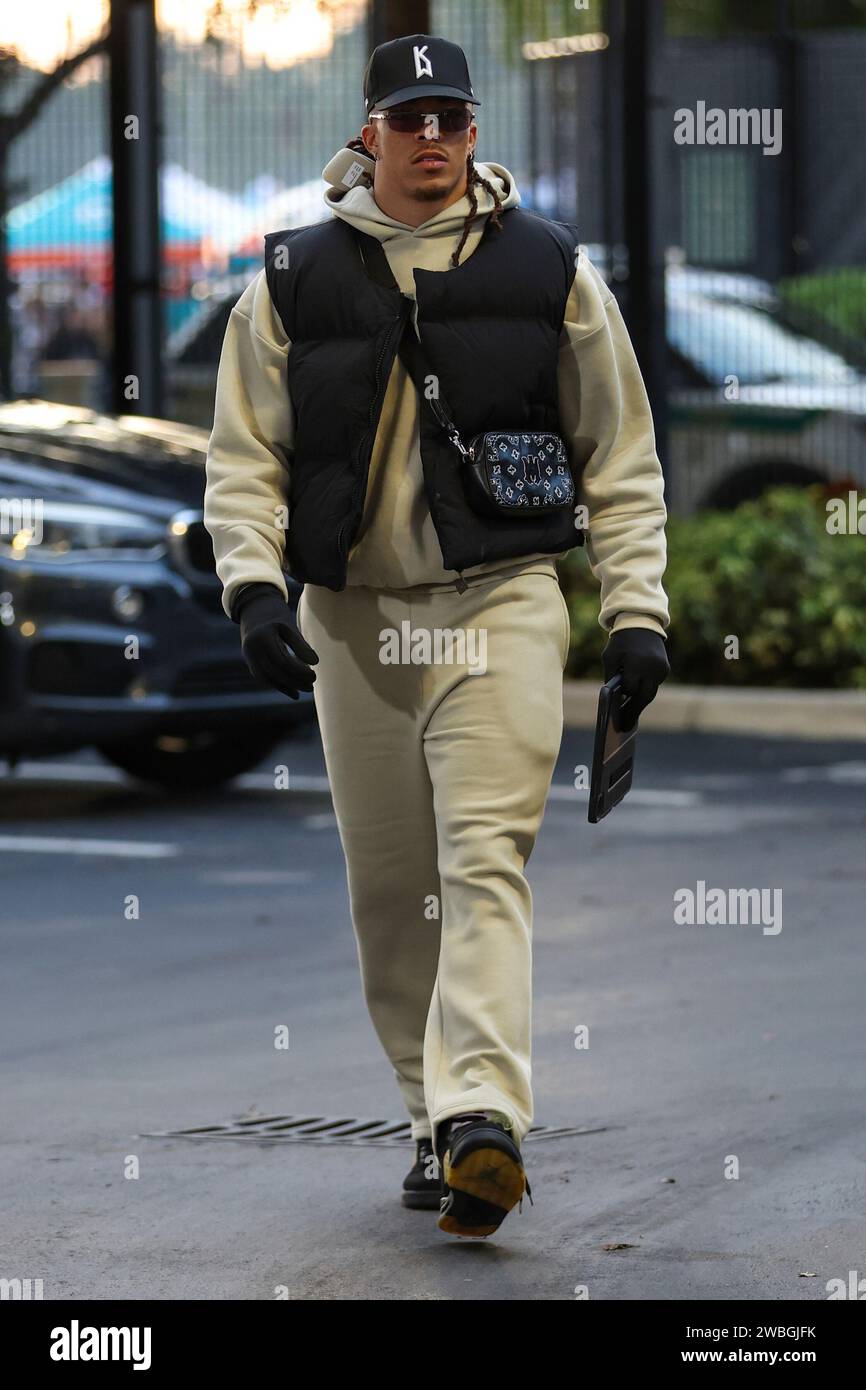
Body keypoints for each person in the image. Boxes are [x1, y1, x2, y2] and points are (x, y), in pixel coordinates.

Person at [204, 33, 670, 1240]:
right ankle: (429, 1122)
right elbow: (243, 461)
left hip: (499, 606)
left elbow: (620, 458)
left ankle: (483, 1118)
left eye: (449, 119)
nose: (429, 141)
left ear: (473, 131)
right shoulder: (291, 281)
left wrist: (635, 611)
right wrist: (254, 591)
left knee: (481, 864)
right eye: (405, 119)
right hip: (354, 625)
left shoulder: (552, 270)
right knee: (392, 894)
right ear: (366, 133)